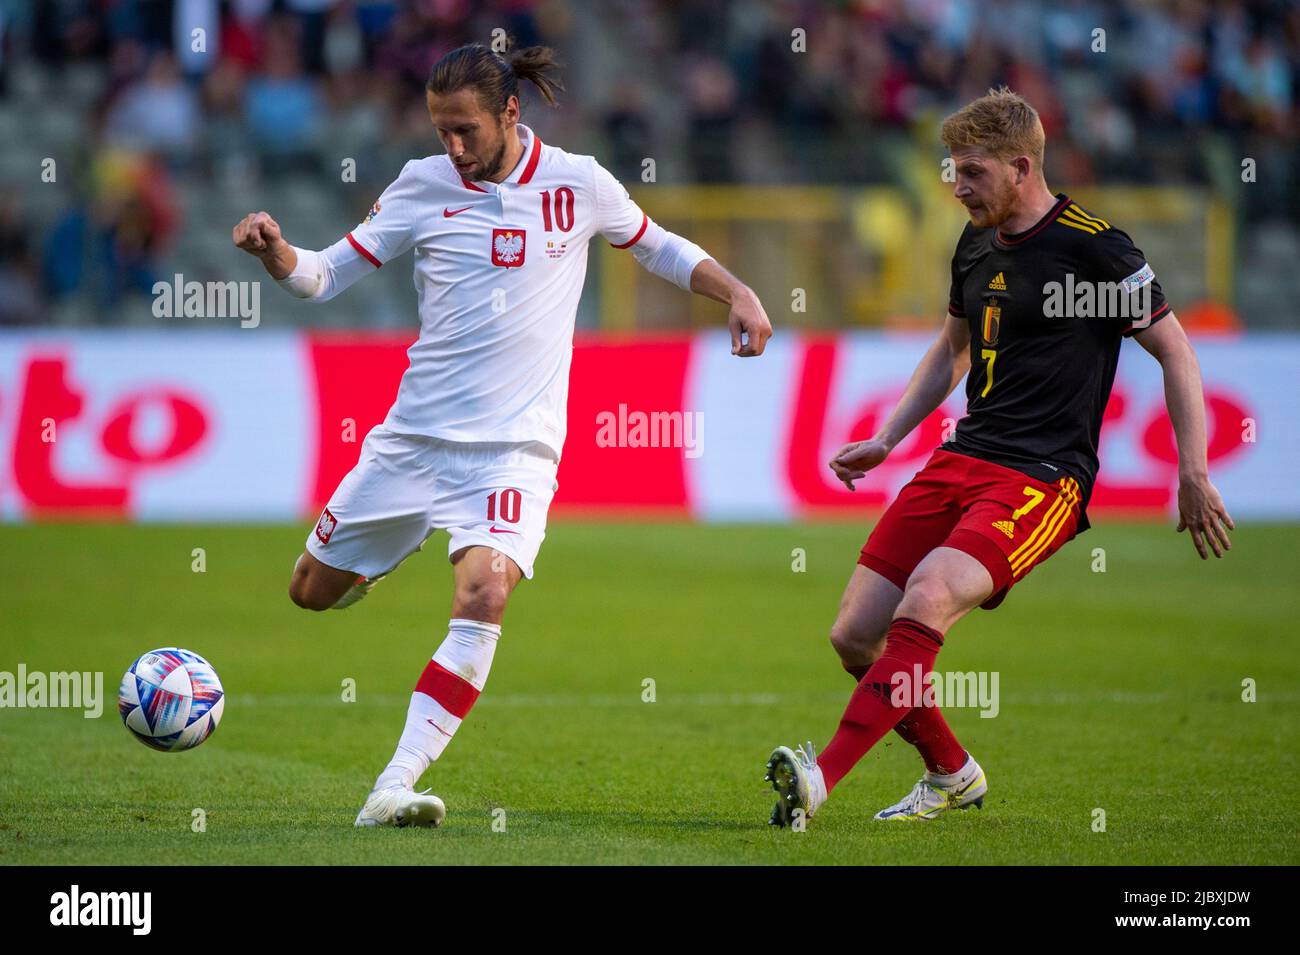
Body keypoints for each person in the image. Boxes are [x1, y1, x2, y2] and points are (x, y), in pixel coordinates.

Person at [233, 42, 773, 828]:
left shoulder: (578, 182)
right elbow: (325, 275)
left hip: (515, 449)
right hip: (413, 441)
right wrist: (277, 253)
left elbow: (658, 245)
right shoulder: (419, 186)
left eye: (467, 131)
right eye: (441, 131)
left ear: (511, 114)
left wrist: (738, 290)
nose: (453, 148)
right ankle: (397, 545)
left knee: (484, 591)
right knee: (309, 591)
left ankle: (394, 782)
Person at [765, 87, 1232, 827]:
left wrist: (1193, 470)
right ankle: (952, 772)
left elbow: (1175, 352)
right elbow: (952, 349)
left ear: (1021, 167)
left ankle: (819, 780)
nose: (956, 187)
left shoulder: (1096, 248)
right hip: (963, 456)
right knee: (854, 632)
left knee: (928, 595)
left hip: (1044, 477)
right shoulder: (976, 241)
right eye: (952, 170)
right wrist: (888, 438)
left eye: (971, 172)